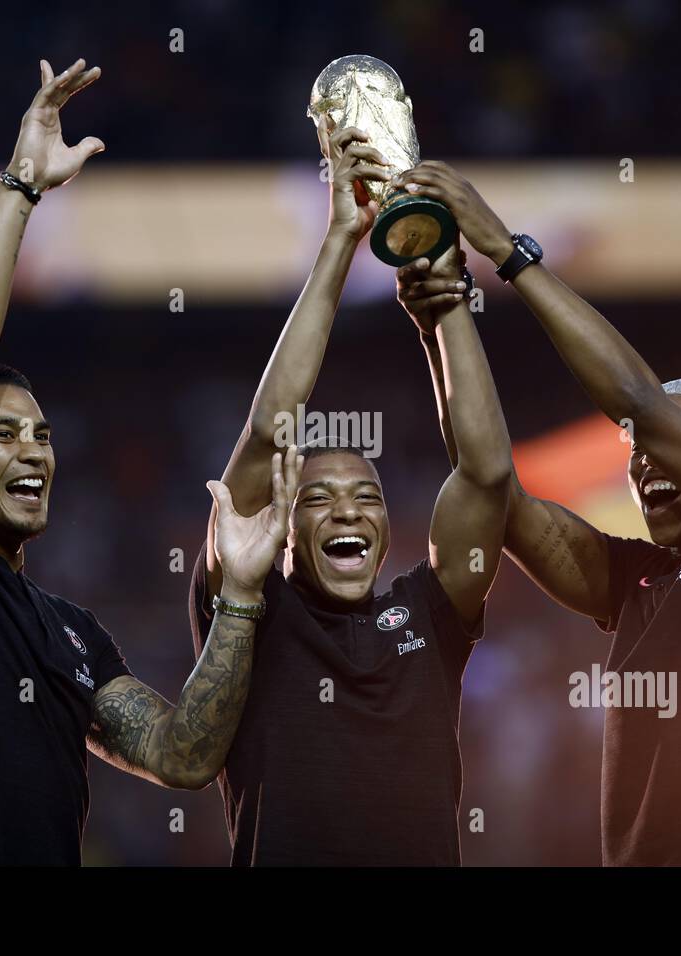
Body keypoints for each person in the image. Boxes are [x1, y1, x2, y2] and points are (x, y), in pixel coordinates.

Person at [0, 58, 297, 865]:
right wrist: (21, 187)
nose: (34, 449)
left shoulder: (74, 632)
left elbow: (182, 756)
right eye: (3, 434)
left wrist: (238, 596)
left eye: (43, 435)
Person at [395, 161, 681, 866]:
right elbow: (492, 484)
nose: (648, 462)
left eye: (678, 450)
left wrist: (505, 250)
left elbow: (639, 405)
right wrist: (443, 319)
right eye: (638, 455)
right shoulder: (632, 582)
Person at [187, 119, 514, 865]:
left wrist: (448, 308)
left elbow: (487, 474)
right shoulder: (249, 613)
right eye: (317, 499)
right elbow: (269, 431)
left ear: (388, 527)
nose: (346, 510)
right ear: (281, 527)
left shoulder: (427, 614)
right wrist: (341, 240)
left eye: (367, 498)